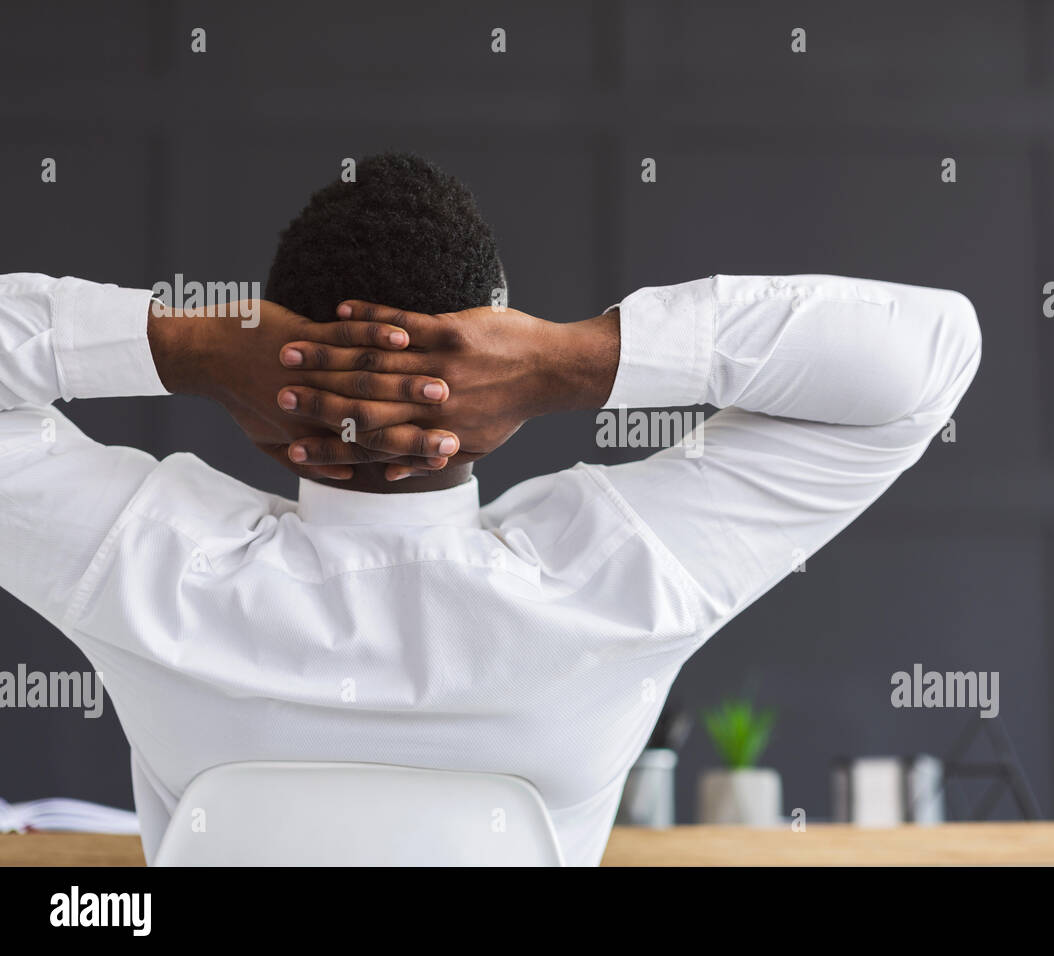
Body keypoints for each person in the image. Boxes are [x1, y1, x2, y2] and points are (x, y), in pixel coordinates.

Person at [0, 153, 981, 865]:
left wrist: (189, 348)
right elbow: (929, 357)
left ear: (267, 384)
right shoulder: (618, 577)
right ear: (496, 361)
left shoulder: (149, 562)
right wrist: (573, 360)